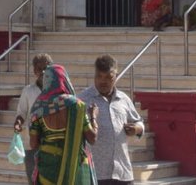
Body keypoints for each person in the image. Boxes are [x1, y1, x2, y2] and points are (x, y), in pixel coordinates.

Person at [28, 64, 96, 185]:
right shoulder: (77, 106)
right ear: (64, 80)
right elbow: (92, 138)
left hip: (47, 168)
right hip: (75, 170)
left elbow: (33, 144)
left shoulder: (38, 108)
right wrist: (93, 116)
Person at [84, 54, 144, 185]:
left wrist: (137, 128)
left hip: (123, 172)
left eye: (108, 77)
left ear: (115, 77)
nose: (103, 81)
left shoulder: (123, 99)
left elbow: (139, 122)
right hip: (95, 174)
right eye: (99, 76)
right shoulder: (83, 100)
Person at [13, 54, 53, 183]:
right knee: (33, 179)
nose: (43, 72)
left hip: (53, 145)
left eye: (46, 68)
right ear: (34, 71)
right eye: (39, 69)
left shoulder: (58, 91)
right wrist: (18, 123)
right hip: (32, 145)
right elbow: (22, 113)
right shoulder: (28, 91)